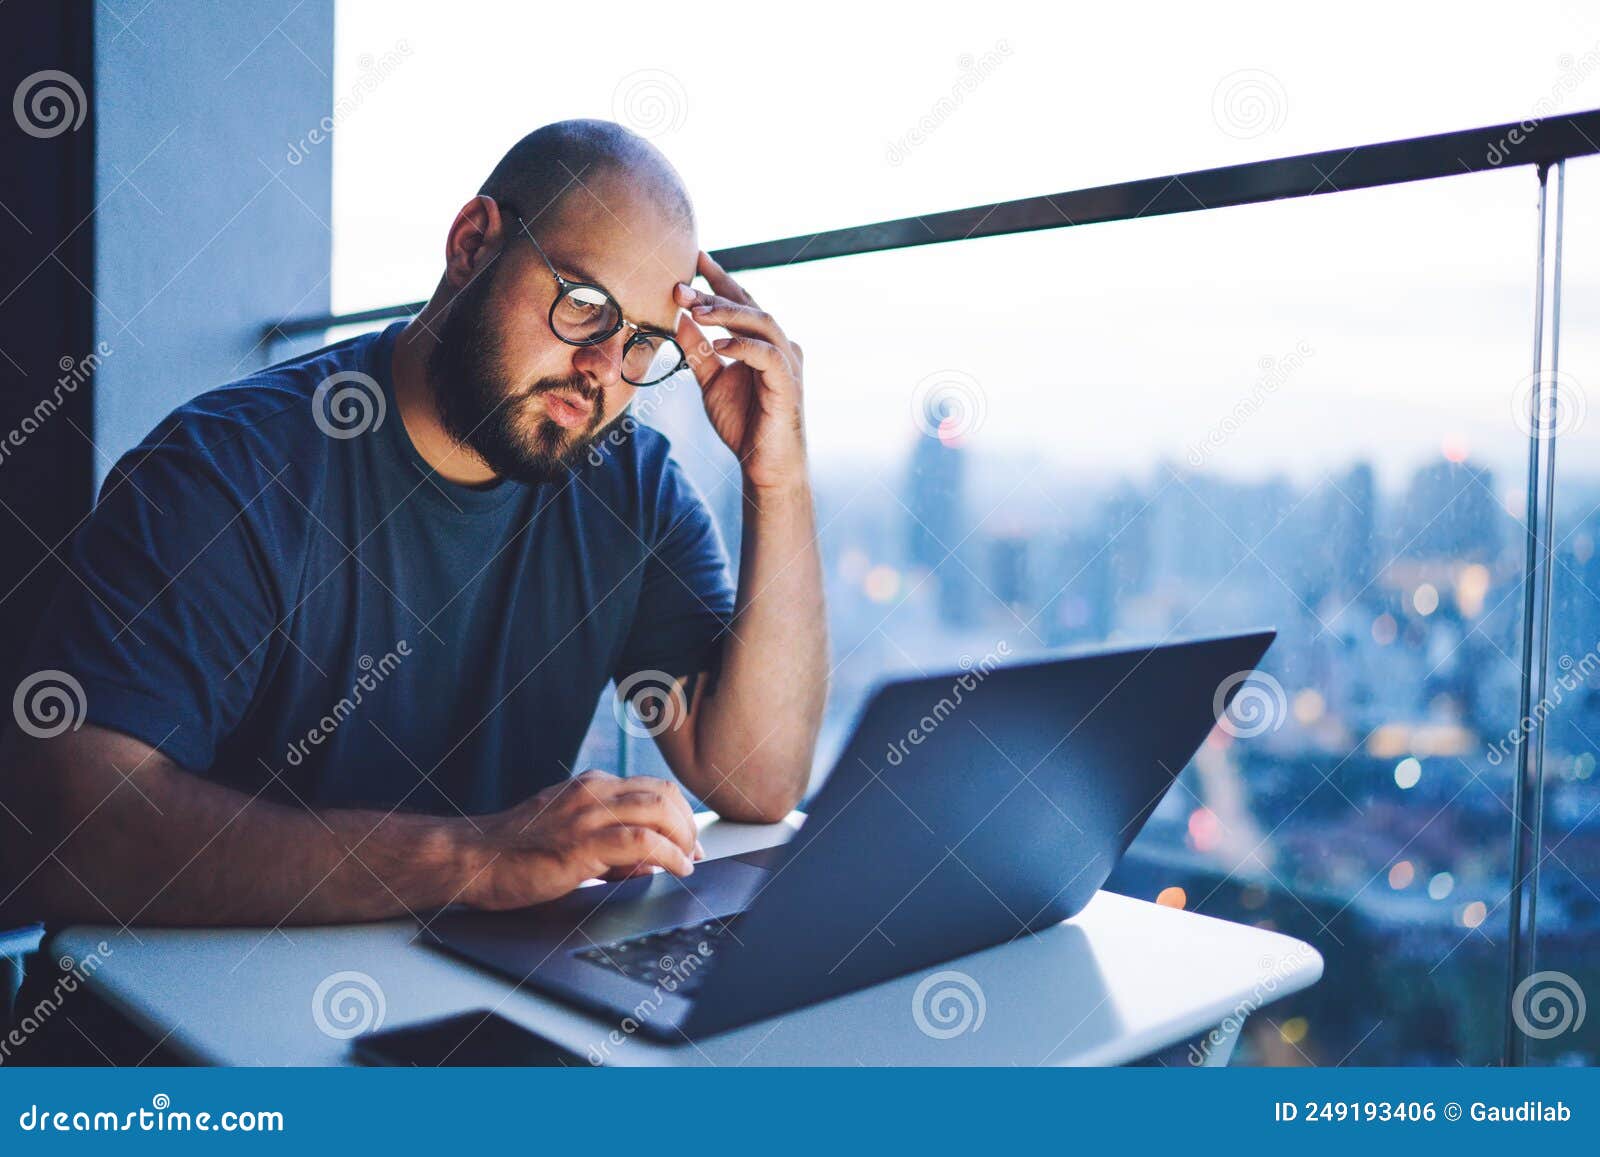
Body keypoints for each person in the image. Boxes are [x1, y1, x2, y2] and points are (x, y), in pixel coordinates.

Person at [0, 119, 828, 929]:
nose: (605, 370)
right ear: (471, 244)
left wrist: (779, 477)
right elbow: (70, 824)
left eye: (644, 343)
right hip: (189, 1009)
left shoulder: (630, 484)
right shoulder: (227, 468)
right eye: (584, 304)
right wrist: (473, 859)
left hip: (468, 993)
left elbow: (756, 780)